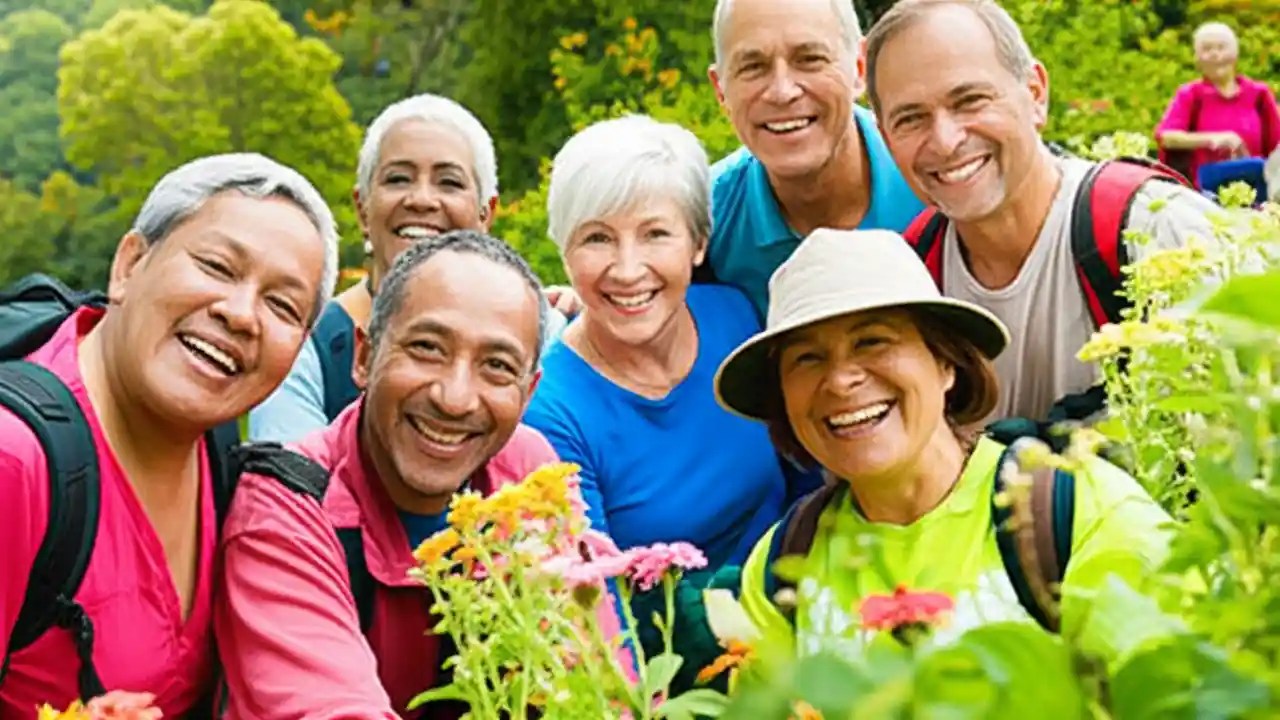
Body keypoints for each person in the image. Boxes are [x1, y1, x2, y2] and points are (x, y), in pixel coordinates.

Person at [715, 228, 1171, 666]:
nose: (840, 380)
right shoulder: (782, 563)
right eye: (807, 358)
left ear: (946, 363)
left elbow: (1172, 692)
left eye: (872, 342)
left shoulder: (1076, 512)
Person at [216, 230, 622, 720]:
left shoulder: (530, 473)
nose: (455, 398)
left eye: (497, 366)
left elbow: (600, 684)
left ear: (528, 393)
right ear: (364, 357)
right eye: (428, 348)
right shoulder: (287, 506)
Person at [0, 153, 338, 716]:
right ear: (130, 265)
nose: (241, 314)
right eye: (217, 266)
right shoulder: (15, 462)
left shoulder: (216, 444)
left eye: (282, 305)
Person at [863, 0, 1224, 425]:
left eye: (970, 101)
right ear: (886, 137)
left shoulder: (1157, 230)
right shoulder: (912, 278)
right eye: (911, 119)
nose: (945, 141)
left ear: (1035, 94)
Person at [524, 115, 803, 582]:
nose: (627, 269)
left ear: (699, 243)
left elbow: (806, 472)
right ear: (565, 253)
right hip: (668, 627)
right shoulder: (550, 414)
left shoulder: (737, 316)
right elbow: (591, 600)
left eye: (655, 234)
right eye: (597, 238)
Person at [248, 93, 567, 444]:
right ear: (362, 208)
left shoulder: (546, 334)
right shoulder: (305, 346)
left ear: (485, 214)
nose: (421, 200)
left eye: (449, 182)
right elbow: (288, 471)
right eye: (398, 179)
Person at [702, 0, 926, 318]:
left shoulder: (932, 176)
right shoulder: (703, 220)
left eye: (809, 60)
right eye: (753, 67)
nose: (782, 92)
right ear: (720, 89)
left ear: (860, 68)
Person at [1155, 22, 1280, 193]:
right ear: (1197, 58)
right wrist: (1214, 139)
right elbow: (1166, 137)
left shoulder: (1259, 94)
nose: (1215, 54)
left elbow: (1276, 144)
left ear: (1235, 54)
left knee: (1260, 168)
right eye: (1207, 49)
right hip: (1205, 187)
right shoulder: (1191, 94)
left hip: (1256, 184)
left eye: (1221, 47)